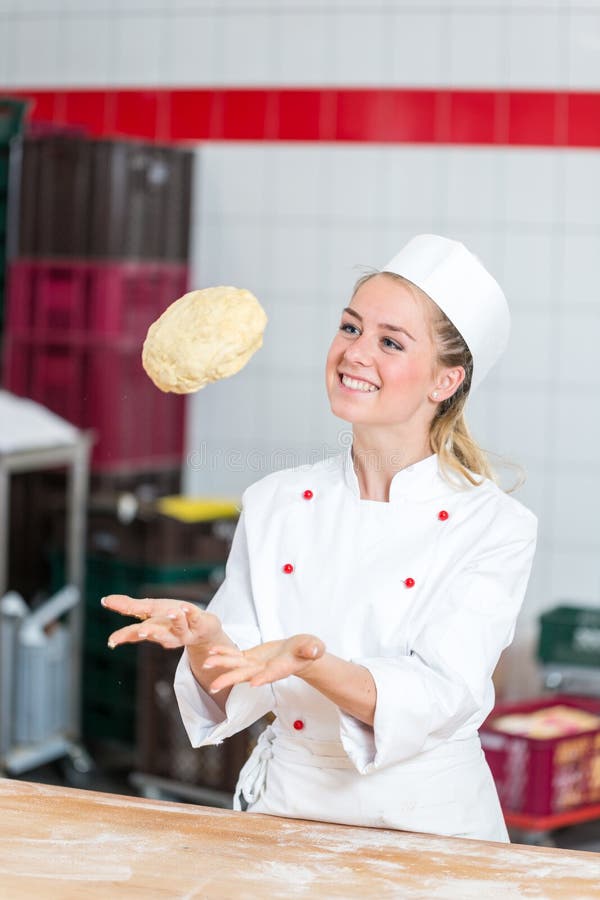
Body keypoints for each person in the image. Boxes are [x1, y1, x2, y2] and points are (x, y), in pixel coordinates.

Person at [104, 234, 537, 842]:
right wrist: (206, 640)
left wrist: (314, 661)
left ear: (445, 382)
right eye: (350, 328)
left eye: (390, 342)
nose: (355, 353)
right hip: (287, 810)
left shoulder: (493, 525)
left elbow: (442, 694)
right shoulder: (275, 501)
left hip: (430, 825)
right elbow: (236, 677)